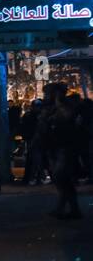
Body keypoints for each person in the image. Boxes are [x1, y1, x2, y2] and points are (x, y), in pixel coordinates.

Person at [42, 85, 83, 220]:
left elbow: (67, 117)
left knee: (61, 177)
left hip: (64, 147)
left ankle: (69, 208)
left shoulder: (65, 105)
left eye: (48, 93)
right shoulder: (51, 107)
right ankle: (68, 208)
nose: (46, 95)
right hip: (54, 146)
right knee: (60, 179)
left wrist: (58, 102)